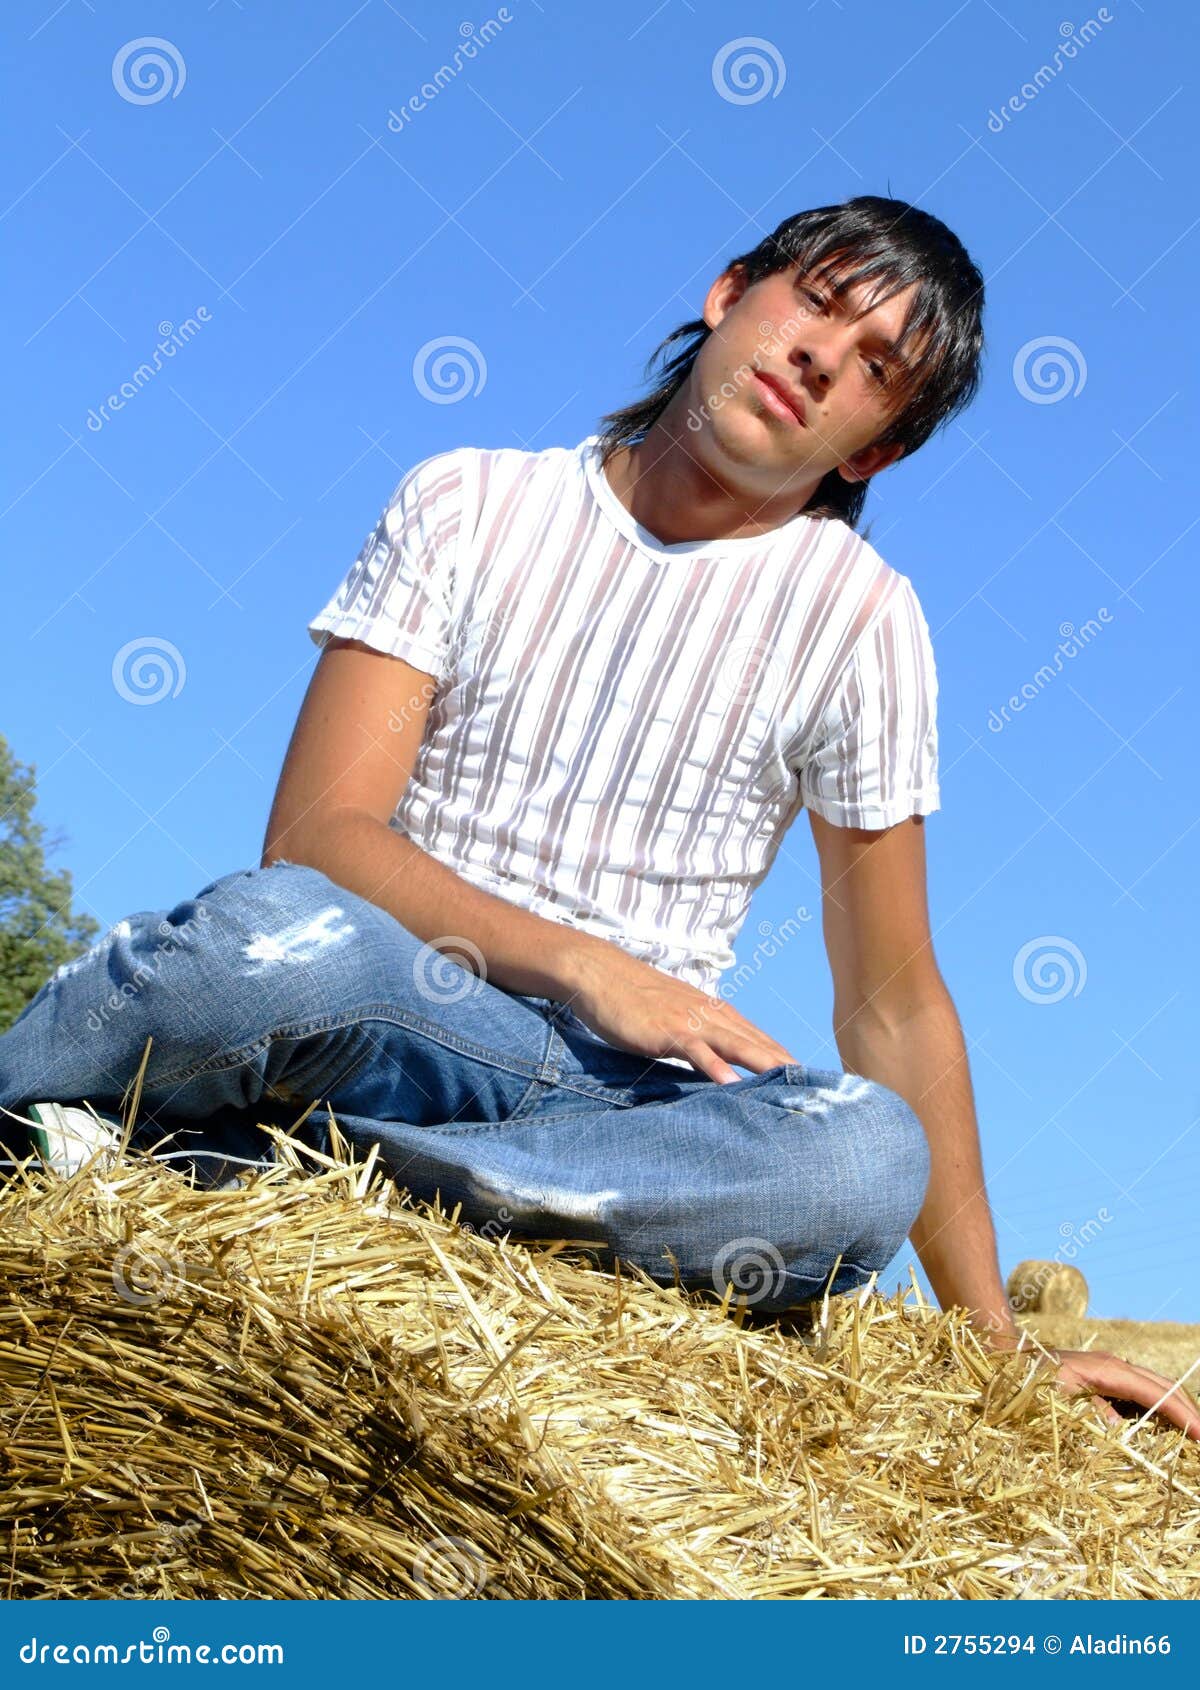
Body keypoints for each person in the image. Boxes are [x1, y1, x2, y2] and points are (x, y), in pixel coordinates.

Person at [2, 194, 1195, 1438]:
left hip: (630, 1108)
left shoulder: (866, 622)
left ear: (872, 451)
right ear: (730, 293)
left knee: (856, 1159)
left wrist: (998, 1356)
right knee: (263, 940)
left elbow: (892, 998)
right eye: (817, 304)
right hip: (399, 995)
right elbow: (318, 833)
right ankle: (24, 1114)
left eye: (876, 370)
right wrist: (589, 967)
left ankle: (251, 1179)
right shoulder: (468, 502)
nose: (821, 357)